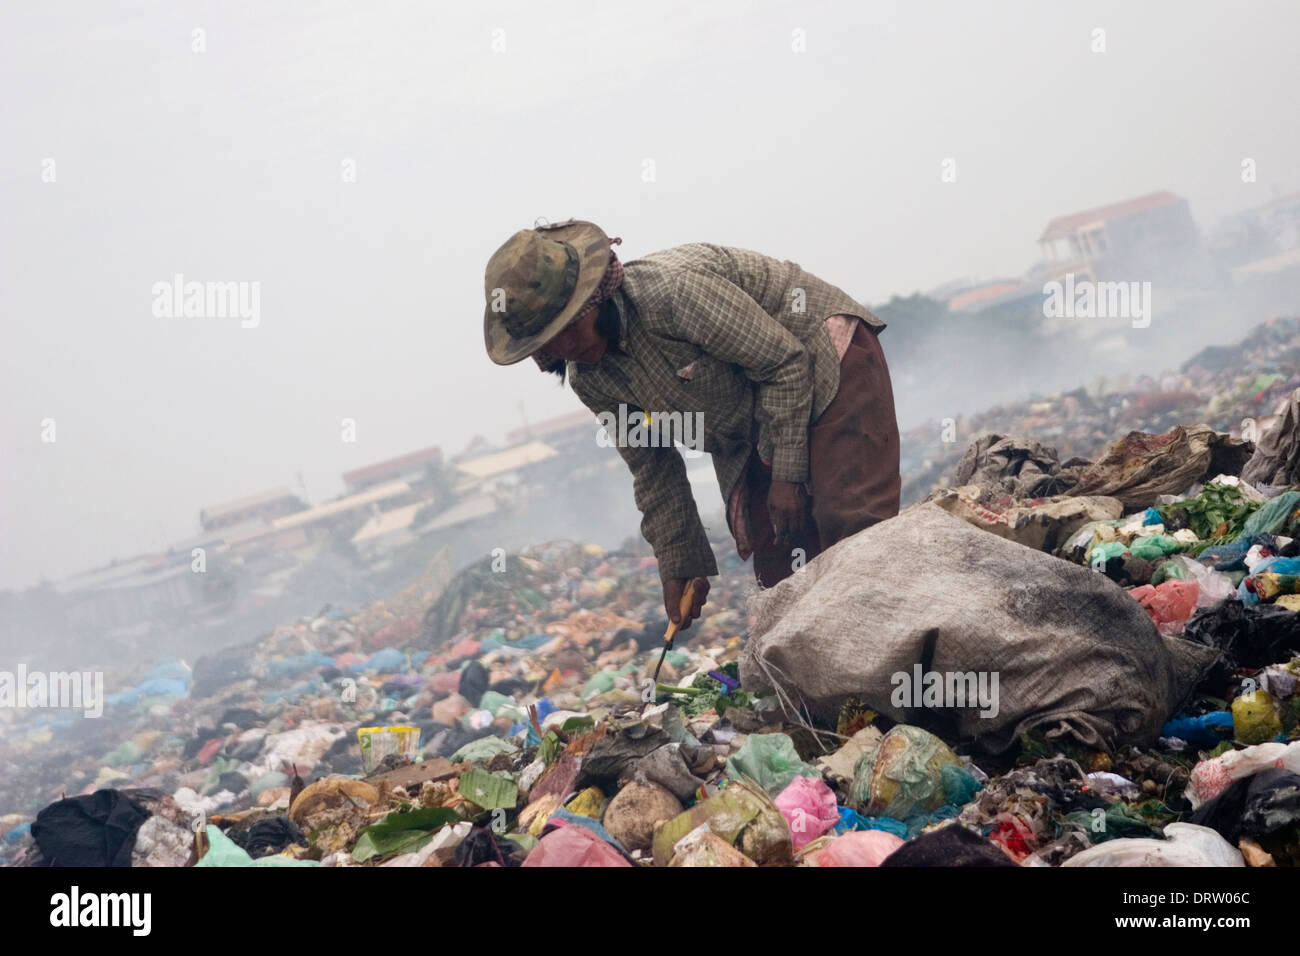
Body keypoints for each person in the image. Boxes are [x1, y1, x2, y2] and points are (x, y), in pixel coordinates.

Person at [483, 219, 900, 632]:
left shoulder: (673, 294)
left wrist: (788, 476)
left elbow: (785, 364)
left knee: (851, 530)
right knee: (781, 575)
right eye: (550, 343)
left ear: (594, 299)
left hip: (826, 361)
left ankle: (902, 658)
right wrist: (679, 564)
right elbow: (653, 467)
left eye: (569, 327)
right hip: (756, 420)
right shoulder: (592, 379)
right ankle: (833, 691)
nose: (565, 348)